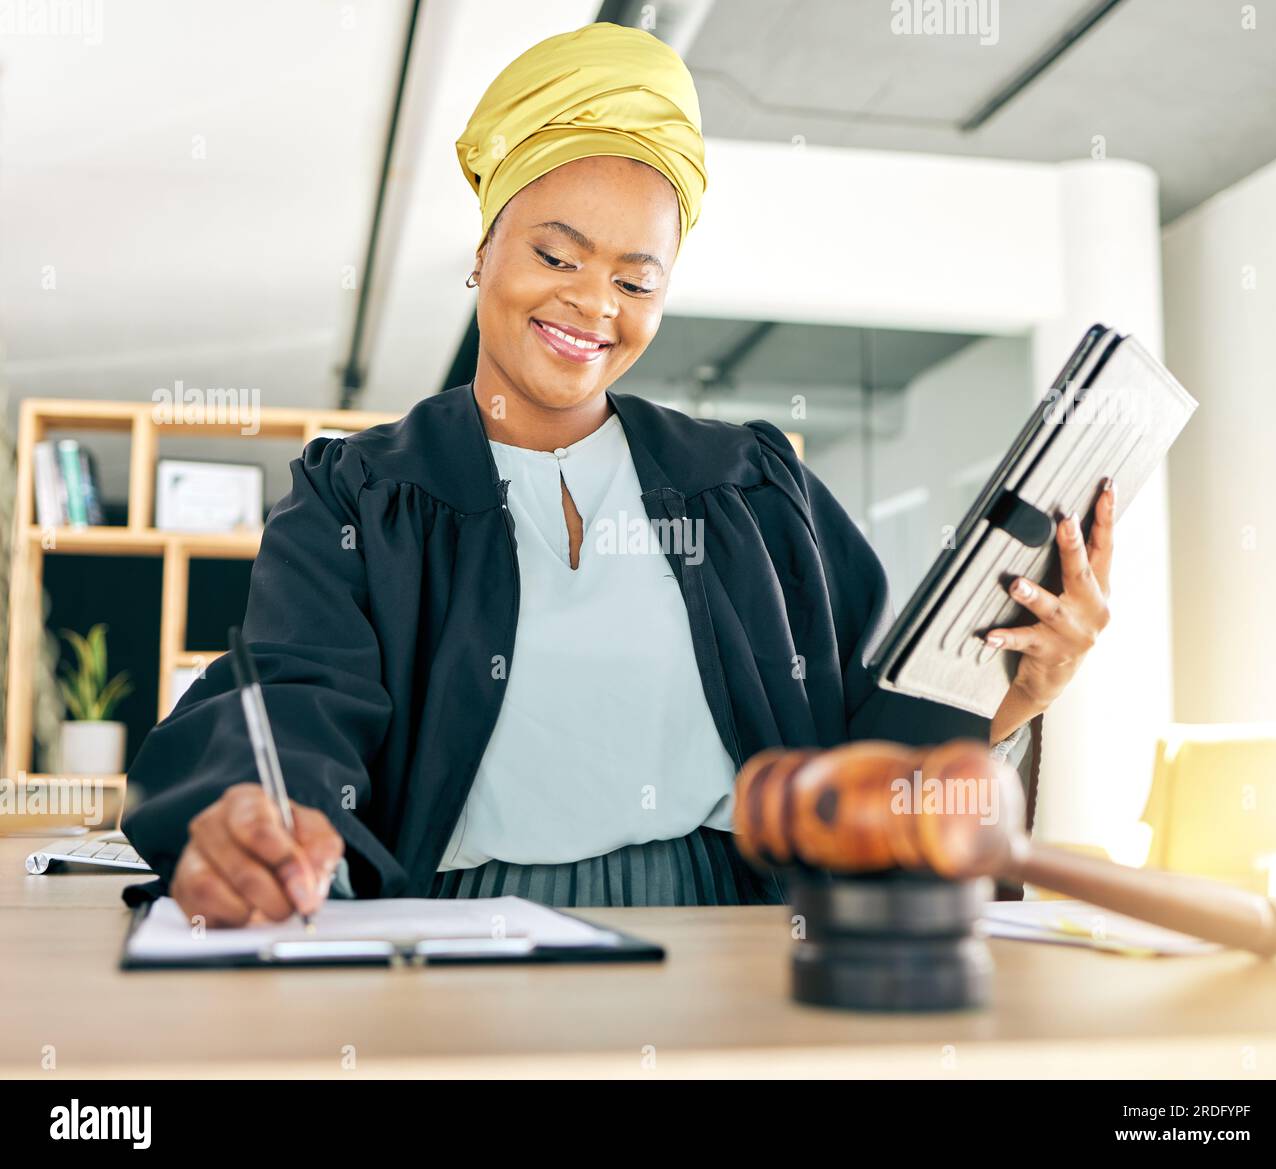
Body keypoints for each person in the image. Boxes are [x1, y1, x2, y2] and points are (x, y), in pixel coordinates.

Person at [122, 23, 1114, 922]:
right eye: (557, 255)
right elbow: (294, 691)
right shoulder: (362, 493)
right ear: (482, 251)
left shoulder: (753, 487)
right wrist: (260, 810)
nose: (593, 304)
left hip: (736, 924)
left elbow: (860, 743)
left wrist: (1016, 690)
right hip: (470, 927)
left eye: (636, 279)